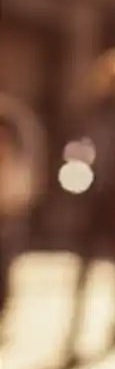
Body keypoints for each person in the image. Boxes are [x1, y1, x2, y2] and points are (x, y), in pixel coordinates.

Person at [64, 56, 115, 362]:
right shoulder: (94, 113)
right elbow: (79, 149)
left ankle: (114, 320)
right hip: (98, 195)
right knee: (88, 263)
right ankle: (79, 326)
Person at [0, 93, 46, 326]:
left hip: (9, 209)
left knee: (4, 264)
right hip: (10, 205)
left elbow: (28, 172)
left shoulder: (15, 123)